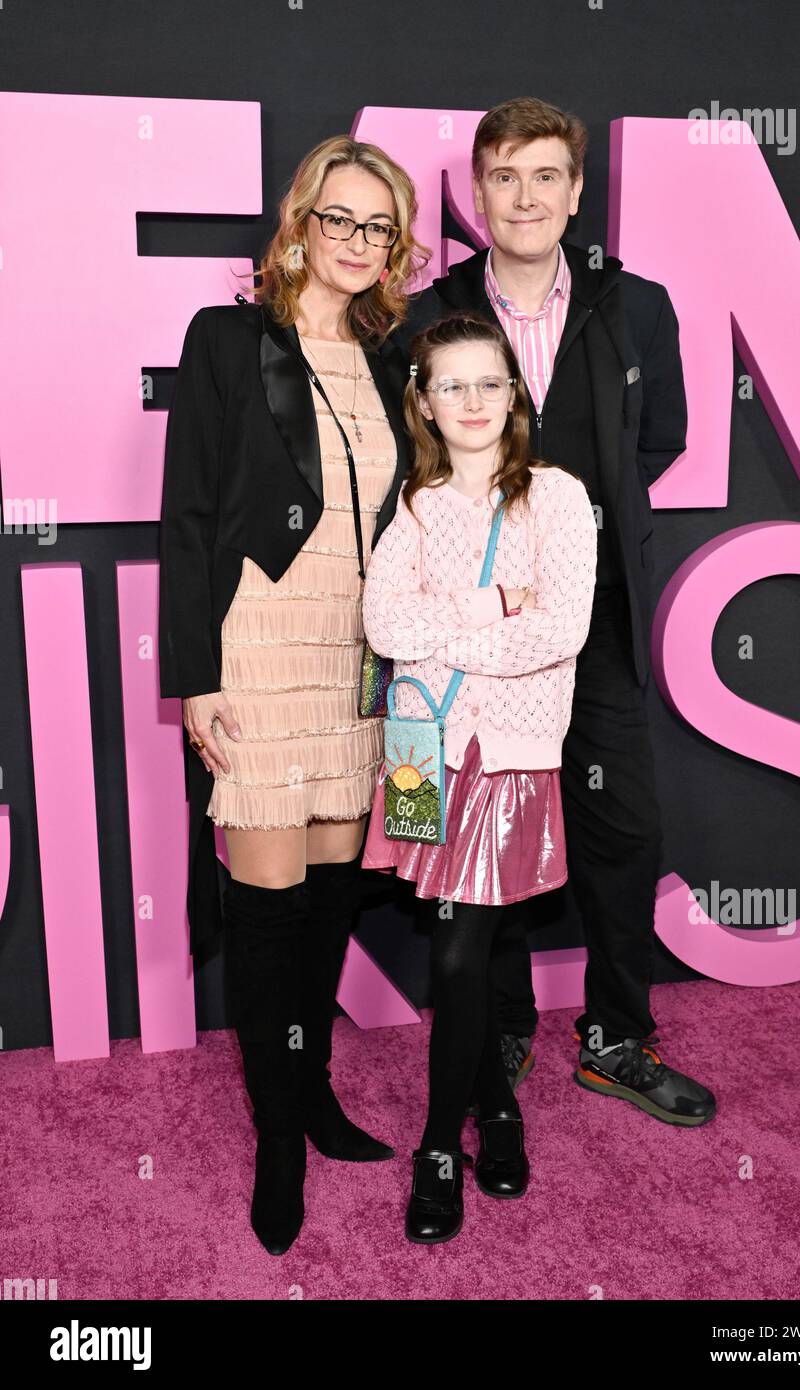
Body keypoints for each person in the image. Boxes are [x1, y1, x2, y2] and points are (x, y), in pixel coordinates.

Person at [391, 97, 716, 1128]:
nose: (523, 197)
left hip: (600, 619)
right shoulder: (428, 310)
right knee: (487, 829)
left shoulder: (639, 308)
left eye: (544, 177)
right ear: (474, 194)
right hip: (476, 632)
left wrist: (564, 537)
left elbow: (654, 439)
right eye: (501, 177)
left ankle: (615, 1035)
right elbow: (414, 460)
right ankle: (501, 1021)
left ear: (576, 192)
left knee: (622, 829)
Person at [158, 135, 431, 1255]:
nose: (360, 243)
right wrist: (193, 681)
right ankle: (276, 1129)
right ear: (302, 222)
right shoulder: (228, 340)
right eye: (342, 219)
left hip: (358, 657)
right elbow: (183, 516)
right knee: (266, 906)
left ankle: (310, 1085)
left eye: (381, 227)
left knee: (328, 895)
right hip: (260, 644)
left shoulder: (394, 352)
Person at [361, 312, 598, 1242]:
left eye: (487, 382)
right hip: (421, 752)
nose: (470, 401)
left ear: (514, 393)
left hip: (507, 751)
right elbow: (385, 627)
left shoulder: (557, 498)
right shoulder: (416, 507)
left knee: (460, 948)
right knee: (466, 939)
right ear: (422, 401)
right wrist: (495, 601)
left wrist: (446, 625)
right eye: (449, 385)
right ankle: (495, 1111)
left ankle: (433, 1143)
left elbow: (561, 633)